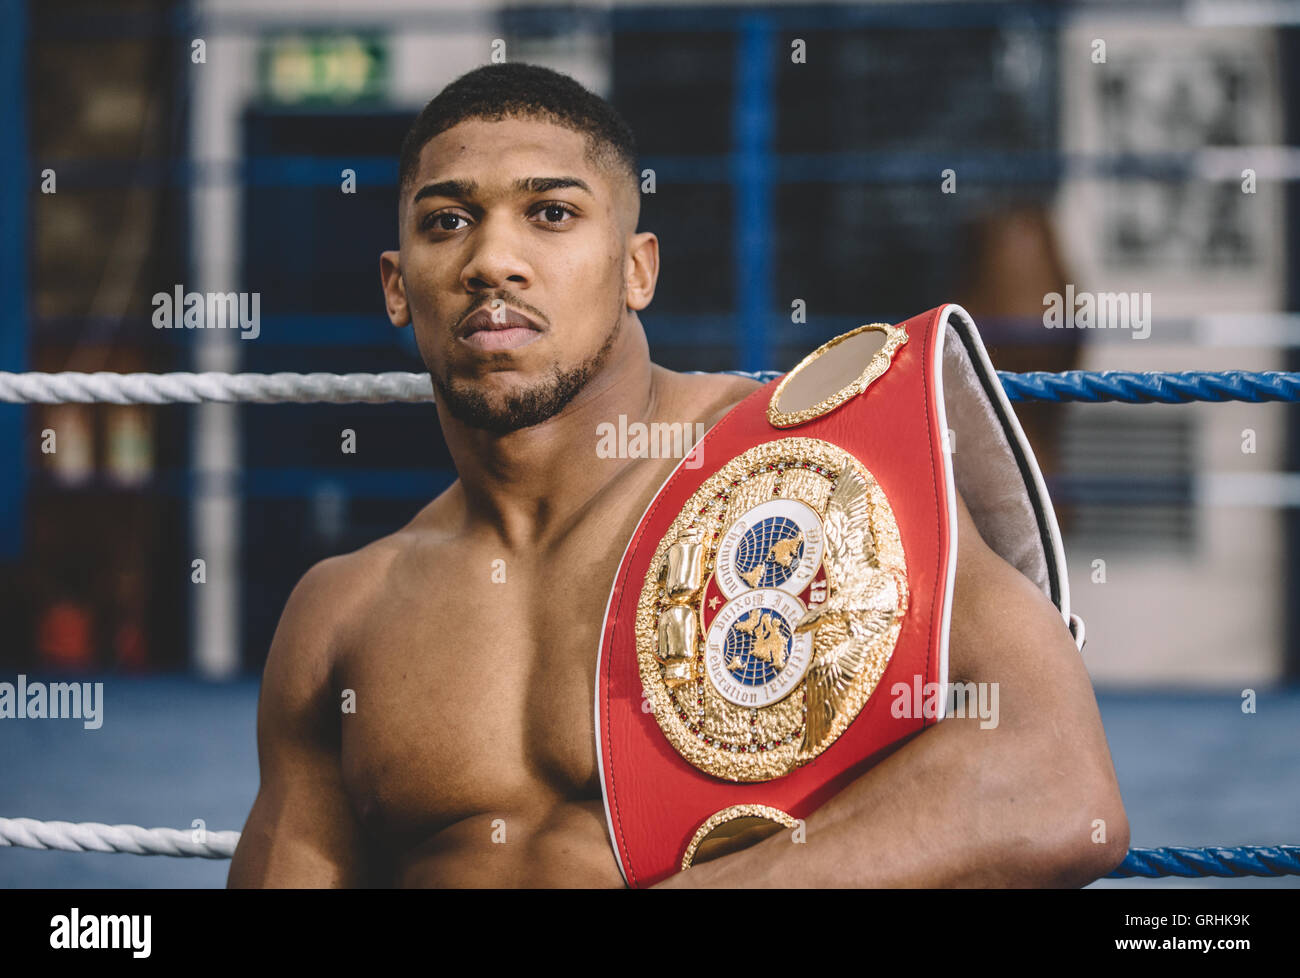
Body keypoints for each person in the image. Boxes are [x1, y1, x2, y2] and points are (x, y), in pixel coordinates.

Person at [227, 63, 1127, 888]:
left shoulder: (816, 467)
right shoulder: (340, 616)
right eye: (447, 221)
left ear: (637, 270)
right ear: (396, 285)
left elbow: (1056, 785)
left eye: (551, 214)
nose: (492, 261)